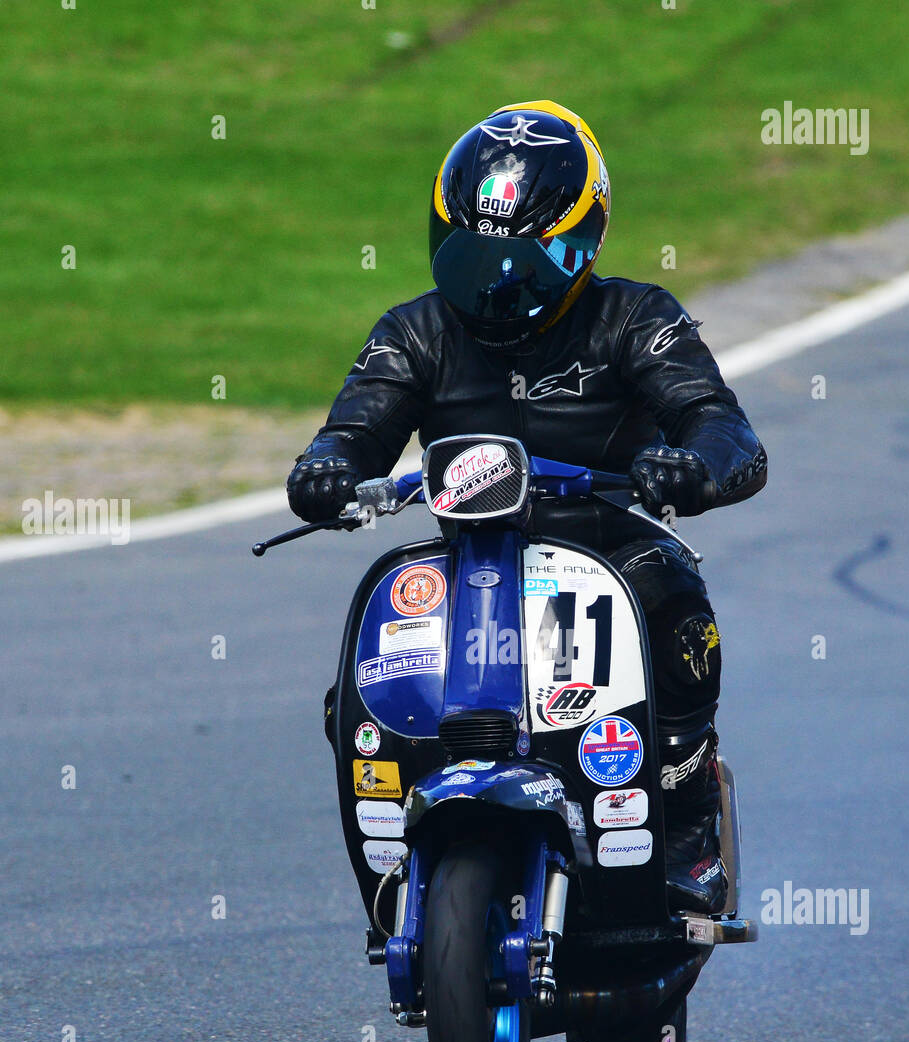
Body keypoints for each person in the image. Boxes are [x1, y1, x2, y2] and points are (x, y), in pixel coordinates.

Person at [287, 101, 767, 914]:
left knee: (681, 618)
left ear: (582, 243)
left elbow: (724, 427)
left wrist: (692, 468)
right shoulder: (414, 332)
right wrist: (326, 470)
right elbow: (352, 431)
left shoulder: (638, 317)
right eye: (475, 256)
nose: (497, 283)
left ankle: (687, 829)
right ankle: (395, 855)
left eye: (523, 261)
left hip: (611, 548)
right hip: (469, 562)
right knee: (359, 689)